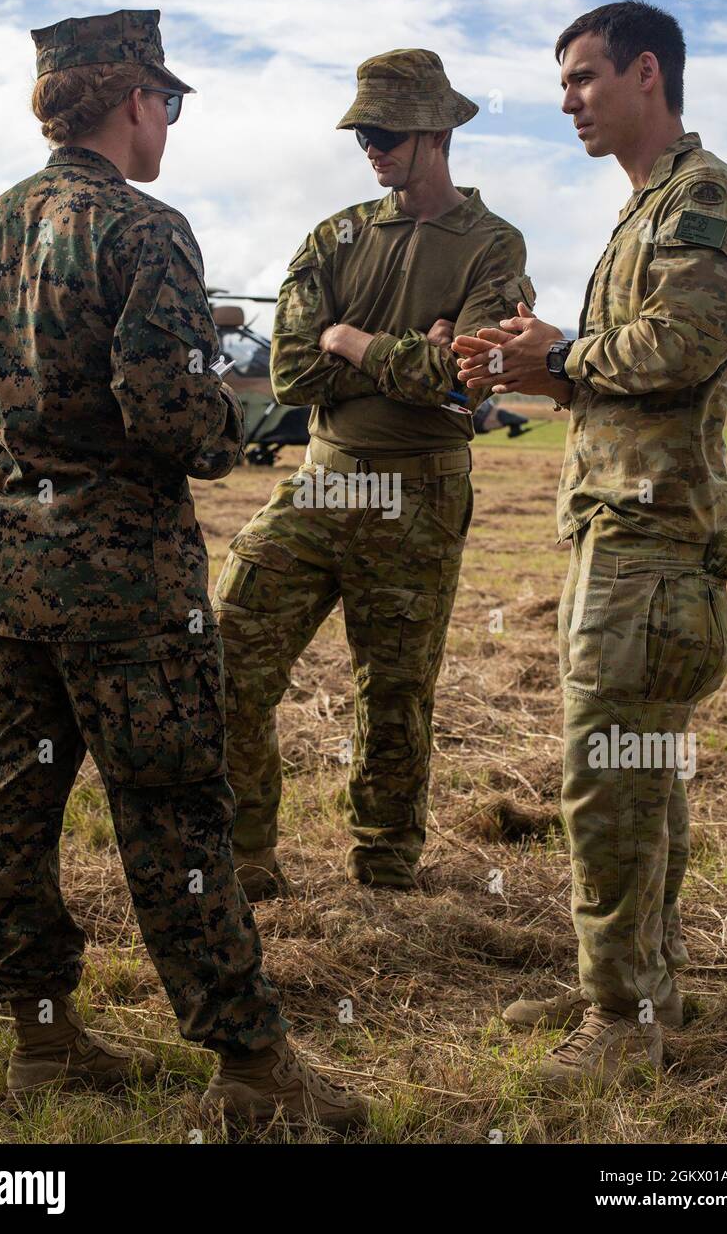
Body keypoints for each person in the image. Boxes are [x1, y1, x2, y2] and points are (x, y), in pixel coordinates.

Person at [0, 8, 368, 1130]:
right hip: (127, 593)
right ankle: (254, 1071)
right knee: (176, 817)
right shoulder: (145, 231)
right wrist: (233, 432)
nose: (166, 121)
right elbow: (168, 407)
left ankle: (41, 1042)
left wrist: (41, 461)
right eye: (165, 102)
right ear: (133, 101)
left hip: (17, 576)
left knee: (16, 805)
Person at [453, 0, 727, 1093]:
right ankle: (641, 986)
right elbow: (612, 369)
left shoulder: (702, 198)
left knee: (607, 778)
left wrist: (564, 350)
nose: (566, 100)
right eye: (560, 83)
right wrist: (530, 367)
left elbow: (676, 348)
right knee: (643, 778)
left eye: (583, 77)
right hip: (621, 538)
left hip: (651, 548)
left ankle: (617, 1024)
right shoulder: (642, 209)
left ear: (645, 73)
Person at [213, 48, 534, 898]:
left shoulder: (492, 245)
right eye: (362, 133)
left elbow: (465, 378)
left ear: (436, 132)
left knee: (393, 695)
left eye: (387, 132)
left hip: (418, 490)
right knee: (229, 650)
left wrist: (349, 339)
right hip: (321, 478)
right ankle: (247, 857)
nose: (371, 148)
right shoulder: (334, 235)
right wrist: (405, 354)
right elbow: (290, 372)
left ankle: (383, 872)